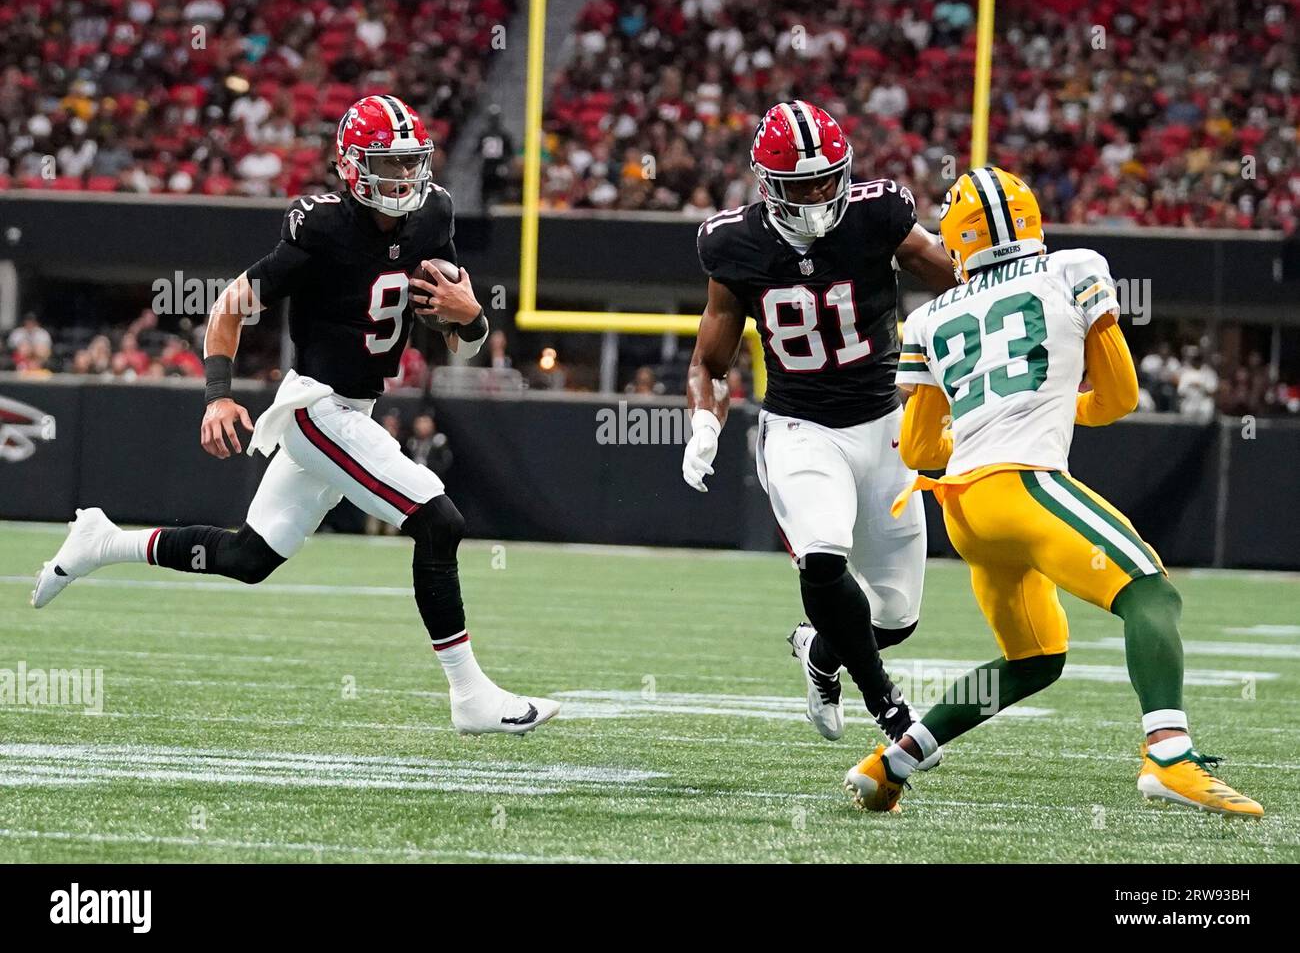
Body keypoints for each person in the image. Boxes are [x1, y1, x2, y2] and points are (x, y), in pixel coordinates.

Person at [32, 94, 559, 736]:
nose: (402, 179)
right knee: (438, 521)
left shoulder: (434, 215)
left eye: (410, 164)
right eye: (388, 165)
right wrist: (218, 393)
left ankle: (103, 541)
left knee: (248, 558)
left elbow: (462, 338)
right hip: (316, 408)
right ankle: (470, 697)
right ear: (352, 166)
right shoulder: (322, 227)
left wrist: (472, 317)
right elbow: (231, 304)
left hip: (354, 409)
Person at [846, 166, 1261, 817]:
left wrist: (984, 428)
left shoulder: (929, 318)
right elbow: (1120, 397)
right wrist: (1055, 405)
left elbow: (921, 450)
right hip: (1023, 487)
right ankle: (1169, 752)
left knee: (1035, 658)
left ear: (959, 239)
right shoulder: (1073, 268)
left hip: (967, 509)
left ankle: (892, 760)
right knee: (1150, 592)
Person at [684, 100, 957, 754]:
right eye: (799, 184)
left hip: (885, 427)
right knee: (825, 554)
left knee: (895, 615)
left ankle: (820, 653)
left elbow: (954, 278)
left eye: (826, 179)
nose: (815, 194)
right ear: (765, 184)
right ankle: (888, 709)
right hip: (801, 428)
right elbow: (711, 363)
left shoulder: (878, 215)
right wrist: (702, 422)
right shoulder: (734, 243)